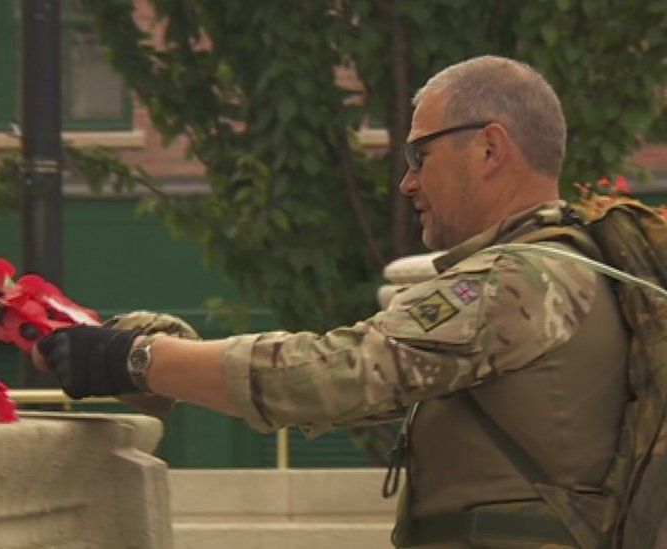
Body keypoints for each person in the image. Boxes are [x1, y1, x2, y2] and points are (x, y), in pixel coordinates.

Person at [32, 56, 629, 548]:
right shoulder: (553, 268)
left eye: (419, 155)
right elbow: (352, 383)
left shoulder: (522, 278)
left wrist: (134, 360)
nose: (407, 183)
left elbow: (341, 373)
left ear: (489, 149)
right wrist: (165, 357)